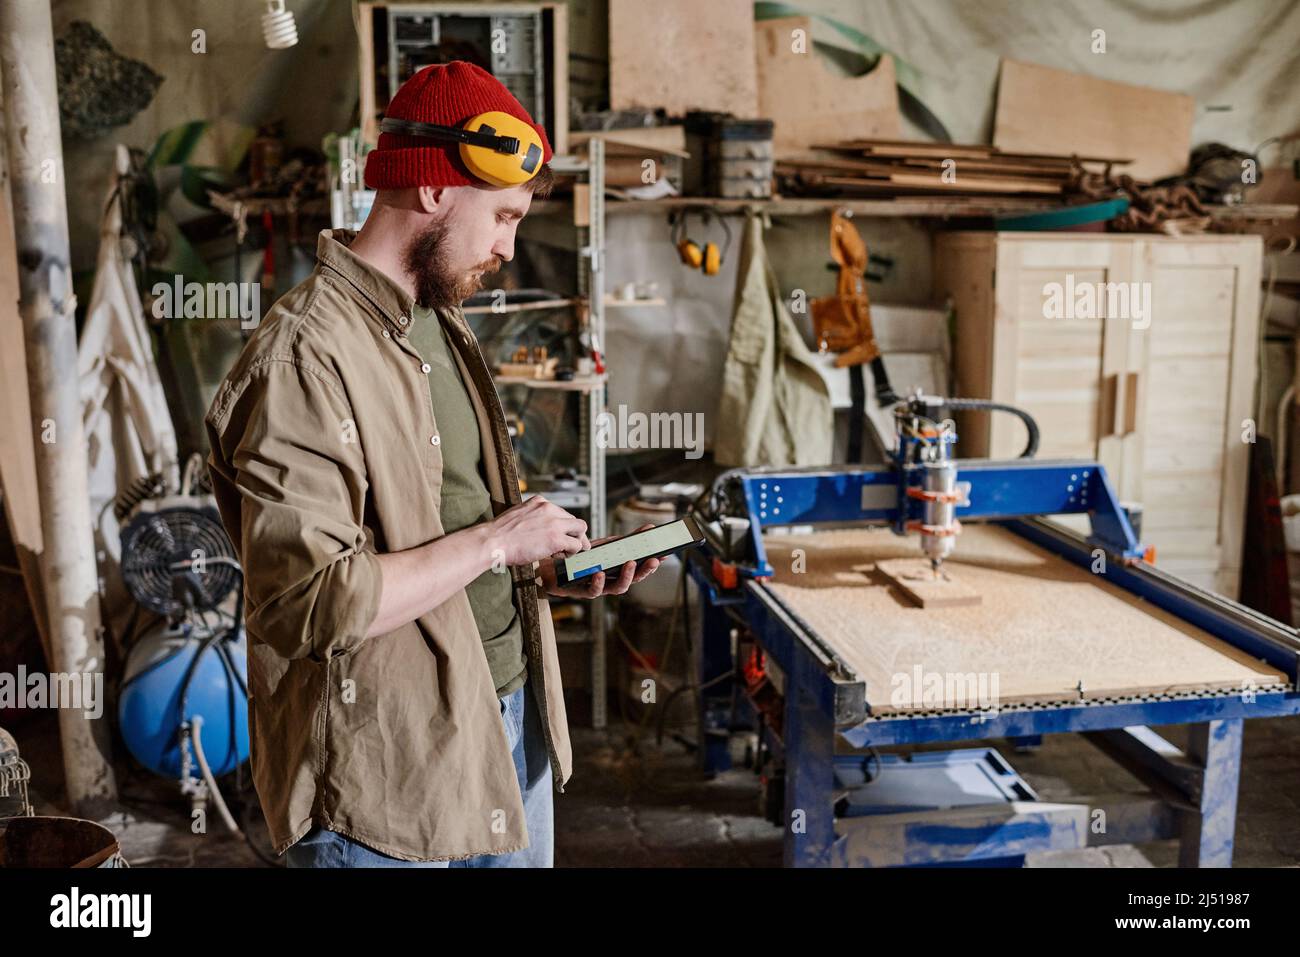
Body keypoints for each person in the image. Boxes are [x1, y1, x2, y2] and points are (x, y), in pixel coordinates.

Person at [205, 61, 660, 868]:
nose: (508, 247)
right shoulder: (303, 358)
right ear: (433, 190)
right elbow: (309, 605)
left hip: (502, 729)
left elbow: (446, 531)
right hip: (388, 775)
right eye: (504, 216)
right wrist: (496, 543)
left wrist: (543, 568)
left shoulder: (442, 329)